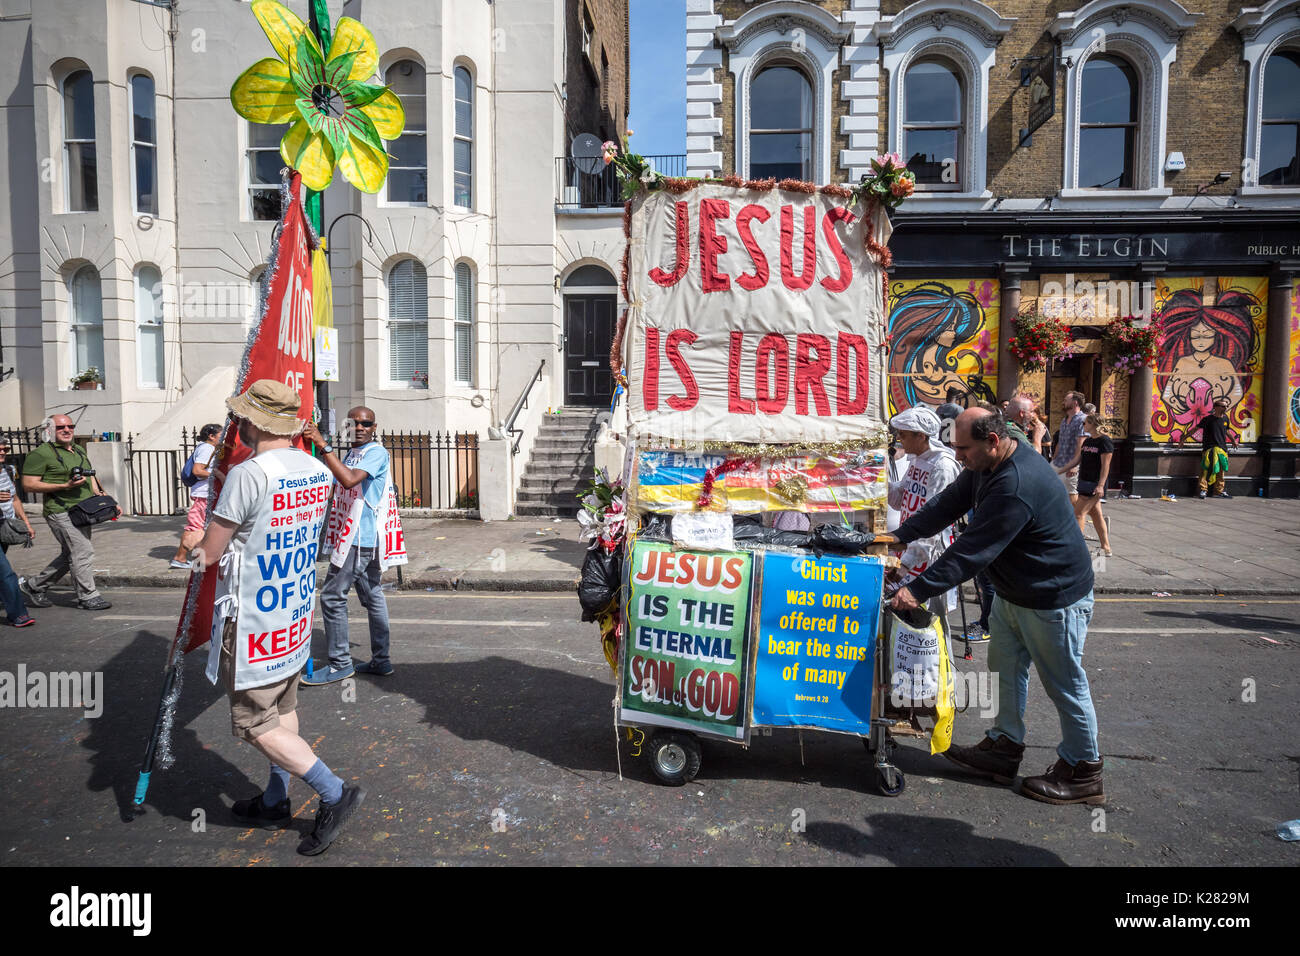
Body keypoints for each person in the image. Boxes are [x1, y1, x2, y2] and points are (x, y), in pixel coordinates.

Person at [879, 407, 1103, 805]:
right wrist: (900, 536)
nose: (958, 455)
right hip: (1015, 592)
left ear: (993, 441)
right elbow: (949, 503)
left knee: (1064, 683)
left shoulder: (1015, 483)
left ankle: (1084, 770)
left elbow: (971, 550)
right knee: (1004, 670)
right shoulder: (987, 463)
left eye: (963, 448)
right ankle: (1003, 747)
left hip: (1053, 597)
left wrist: (916, 590)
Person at [194, 379, 365, 856]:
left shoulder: (250, 474)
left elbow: (210, 552)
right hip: (291, 614)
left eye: (242, 417)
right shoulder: (313, 467)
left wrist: (188, 548)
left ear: (252, 422)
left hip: (251, 620)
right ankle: (275, 798)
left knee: (254, 722)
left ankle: (334, 791)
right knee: (283, 709)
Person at [301, 408, 398, 683]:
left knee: (332, 597)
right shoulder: (352, 454)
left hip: (359, 538)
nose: (359, 427)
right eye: (353, 423)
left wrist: (323, 445)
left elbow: (348, 479)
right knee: (373, 595)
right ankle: (381, 661)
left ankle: (340, 663)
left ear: (374, 426)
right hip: (355, 536)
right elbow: (336, 484)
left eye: (365, 423)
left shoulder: (376, 453)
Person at [18, 414, 120, 611]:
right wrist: (65, 485)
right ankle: (88, 596)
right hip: (60, 510)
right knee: (83, 550)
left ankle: (33, 586)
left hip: (83, 510)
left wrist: (107, 499)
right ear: (49, 430)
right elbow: (28, 485)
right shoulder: (41, 454)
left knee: (71, 554)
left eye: (70, 426)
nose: (67, 430)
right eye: (60, 427)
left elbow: (91, 477)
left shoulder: (78, 449)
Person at [885, 407, 961, 630]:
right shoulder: (917, 459)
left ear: (921, 436)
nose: (900, 439)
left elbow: (935, 522)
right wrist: (880, 479)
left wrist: (907, 564)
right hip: (911, 550)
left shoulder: (942, 466)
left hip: (932, 556)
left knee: (931, 624)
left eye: (904, 434)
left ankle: (937, 665)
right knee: (910, 622)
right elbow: (900, 499)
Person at [1056, 414, 1114, 556]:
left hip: (1094, 484)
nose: (1083, 425)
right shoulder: (1088, 441)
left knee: (1078, 514)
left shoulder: (1105, 441)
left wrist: (1100, 485)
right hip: (1083, 481)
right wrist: (1059, 471)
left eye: (1085, 423)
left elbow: (1105, 466)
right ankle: (1106, 547)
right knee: (1096, 515)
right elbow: (1077, 460)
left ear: (1093, 424)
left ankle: (1076, 550)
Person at [171, 423, 222, 569]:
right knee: (196, 528)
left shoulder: (208, 448)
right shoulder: (207, 448)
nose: (223, 437)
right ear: (211, 436)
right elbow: (197, 470)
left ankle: (200, 562)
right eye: (221, 434)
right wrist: (217, 474)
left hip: (206, 494)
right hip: (204, 495)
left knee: (204, 528)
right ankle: (180, 558)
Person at [0, 439, 36, 626]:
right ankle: (18, 614)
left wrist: (27, 524)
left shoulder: (8, 470)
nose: (3, 451)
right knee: (5, 573)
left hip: (3, 527)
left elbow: (15, 499)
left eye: (5, 448)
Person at [1178, 399, 1239, 499]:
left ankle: (1219, 491)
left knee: (1221, 472)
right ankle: (1203, 490)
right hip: (1209, 448)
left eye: (1226, 406)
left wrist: (1233, 440)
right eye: (1223, 406)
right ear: (1216, 407)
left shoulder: (1225, 419)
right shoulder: (1207, 419)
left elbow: (1226, 431)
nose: (1226, 408)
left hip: (1221, 449)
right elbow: (1195, 429)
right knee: (1204, 470)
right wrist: (1183, 439)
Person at [1050, 391, 1088, 501]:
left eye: (1066, 400)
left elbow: (1082, 443)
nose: (1063, 402)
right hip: (1059, 461)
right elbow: (1060, 441)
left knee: (1071, 492)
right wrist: (1054, 458)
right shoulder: (1064, 420)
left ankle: (1075, 517)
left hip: (1071, 463)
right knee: (1054, 488)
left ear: (1075, 403)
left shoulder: (1082, 420)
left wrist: (1075, 465)